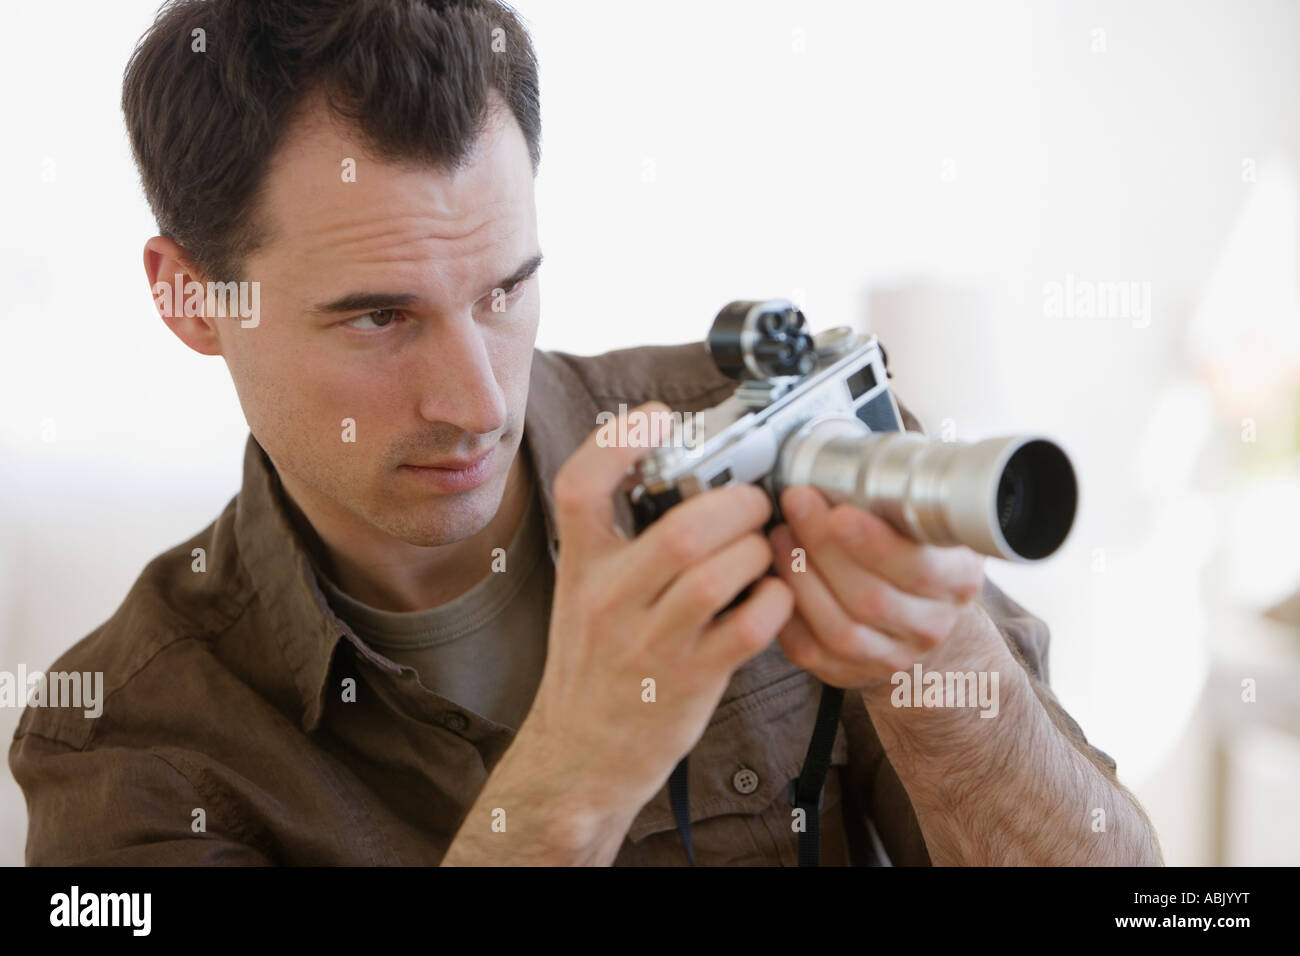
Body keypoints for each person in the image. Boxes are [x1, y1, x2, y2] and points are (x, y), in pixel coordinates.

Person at [9, 0, 1162, 866]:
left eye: (505, 289)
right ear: (191, 297)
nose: (473, 400)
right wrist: (573, 774)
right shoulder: (124, 743)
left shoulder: (787, 431)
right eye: (377, 315)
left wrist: (939, 663)